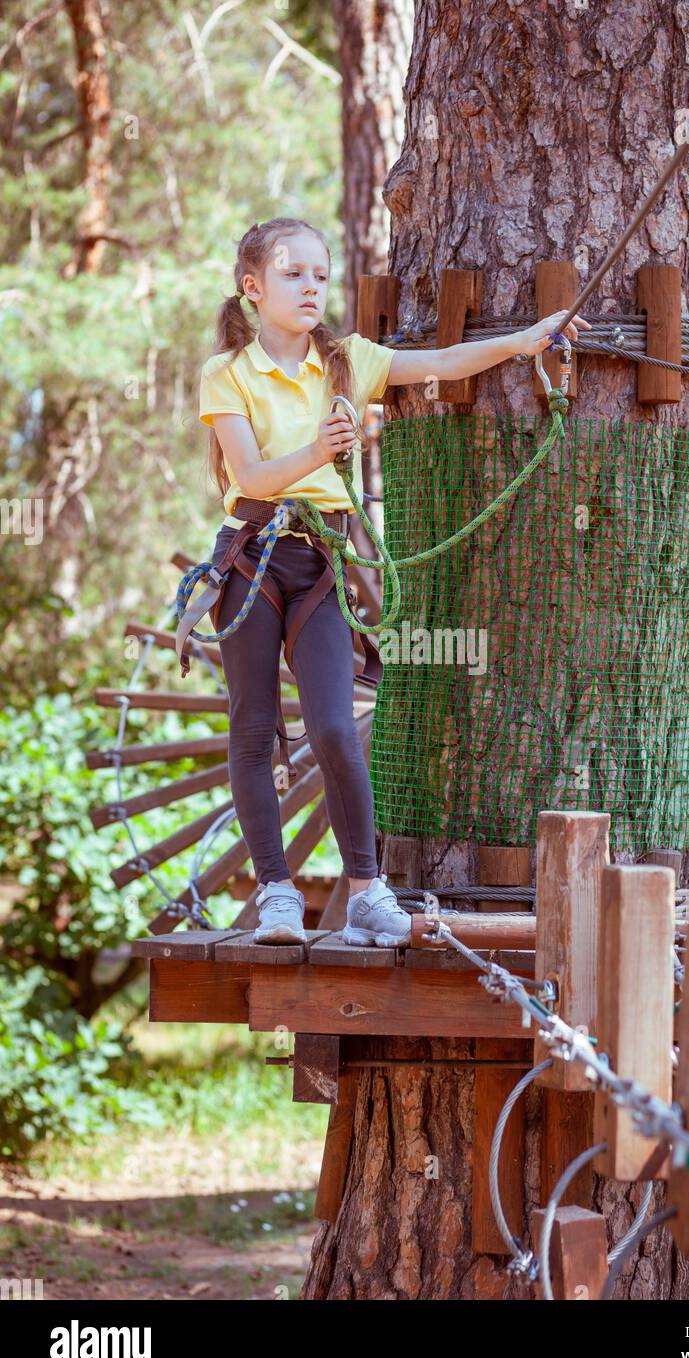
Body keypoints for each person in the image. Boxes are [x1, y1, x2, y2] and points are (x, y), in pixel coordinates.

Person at [198, 215, 587, 946]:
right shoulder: (227, 374)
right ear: (253, 287)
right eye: (292, 274)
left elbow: (441, 363)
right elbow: (250, 475)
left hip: (322, 561)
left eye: (319, 273)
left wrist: (523, 340)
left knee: (336, 730)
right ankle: (277, 895)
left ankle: (367, 891)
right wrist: (320, 447)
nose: (311, 286)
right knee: (255, 732)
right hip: (252, 557)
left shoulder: (349, 361)